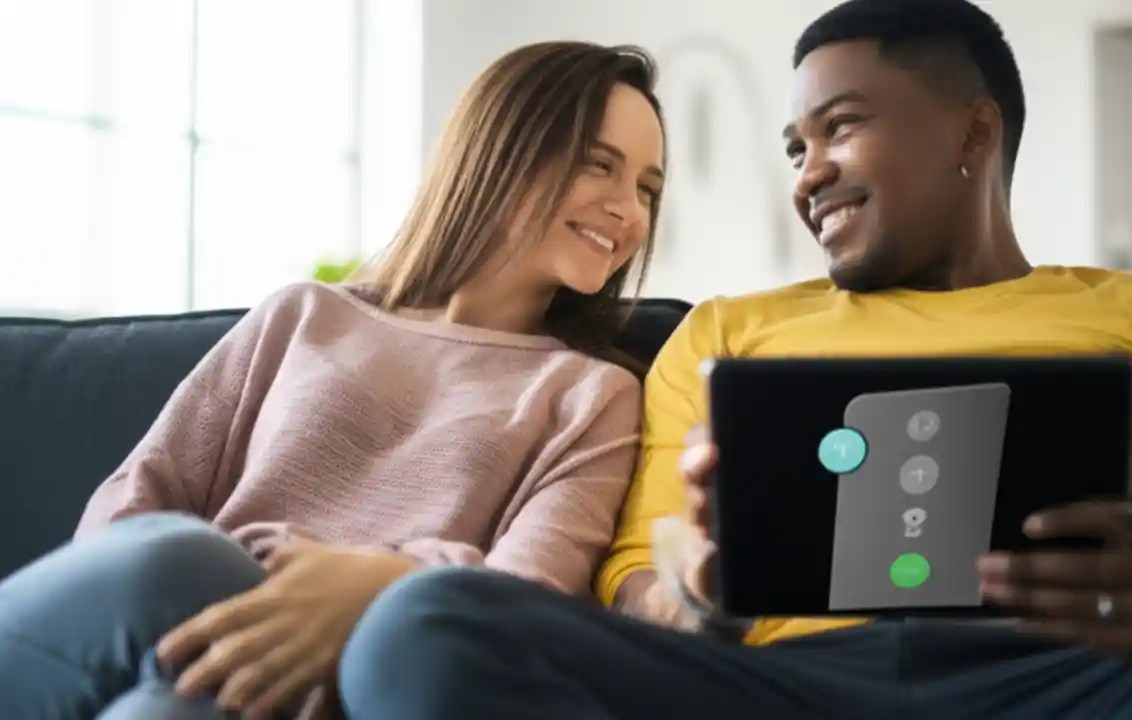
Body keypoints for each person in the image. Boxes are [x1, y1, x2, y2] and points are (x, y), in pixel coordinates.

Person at [332, 1, 1132, 718]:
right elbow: (636, 578)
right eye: (795, 147)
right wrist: (699, 582)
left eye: (842, 126)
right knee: (428, 628)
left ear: (972, 131)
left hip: (1073, 681)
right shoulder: (724, 334)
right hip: (777, 685)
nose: (809, 172)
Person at [0, 40, 667, 720]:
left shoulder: (594, 396)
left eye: (647, 188)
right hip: (179, 623)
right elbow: (134, 503)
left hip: (348, 681)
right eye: (599, 166)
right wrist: (257, 580)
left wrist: (376, 585)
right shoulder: (303, 317)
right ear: (505, 148)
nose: (629, 210)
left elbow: (531, 595)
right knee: (178, 579)